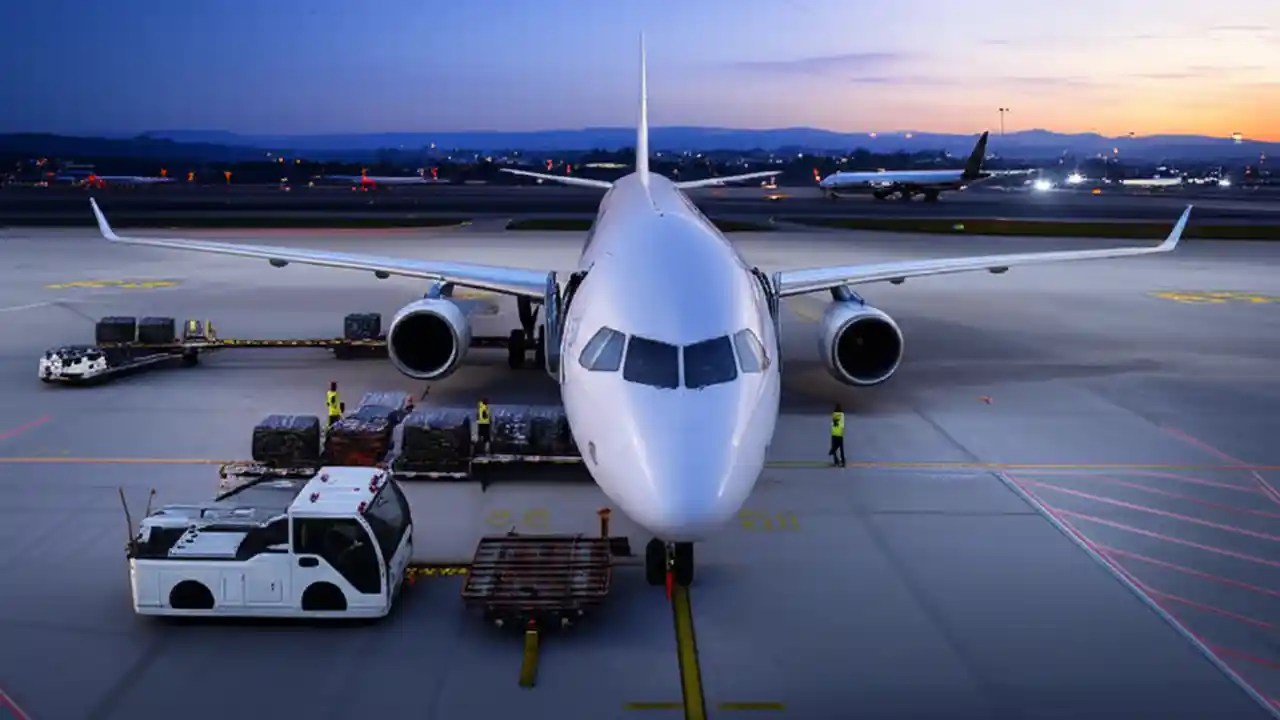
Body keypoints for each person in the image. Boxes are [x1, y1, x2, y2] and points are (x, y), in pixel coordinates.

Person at [829, 402, 846, 467]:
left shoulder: (834, 414)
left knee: (834, 446)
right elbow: (842, 425)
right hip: (840, 433)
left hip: (834, 433)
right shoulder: (842, 415)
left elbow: (833, 424)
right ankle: (843, 460)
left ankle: (835, 460)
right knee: (841, 448)